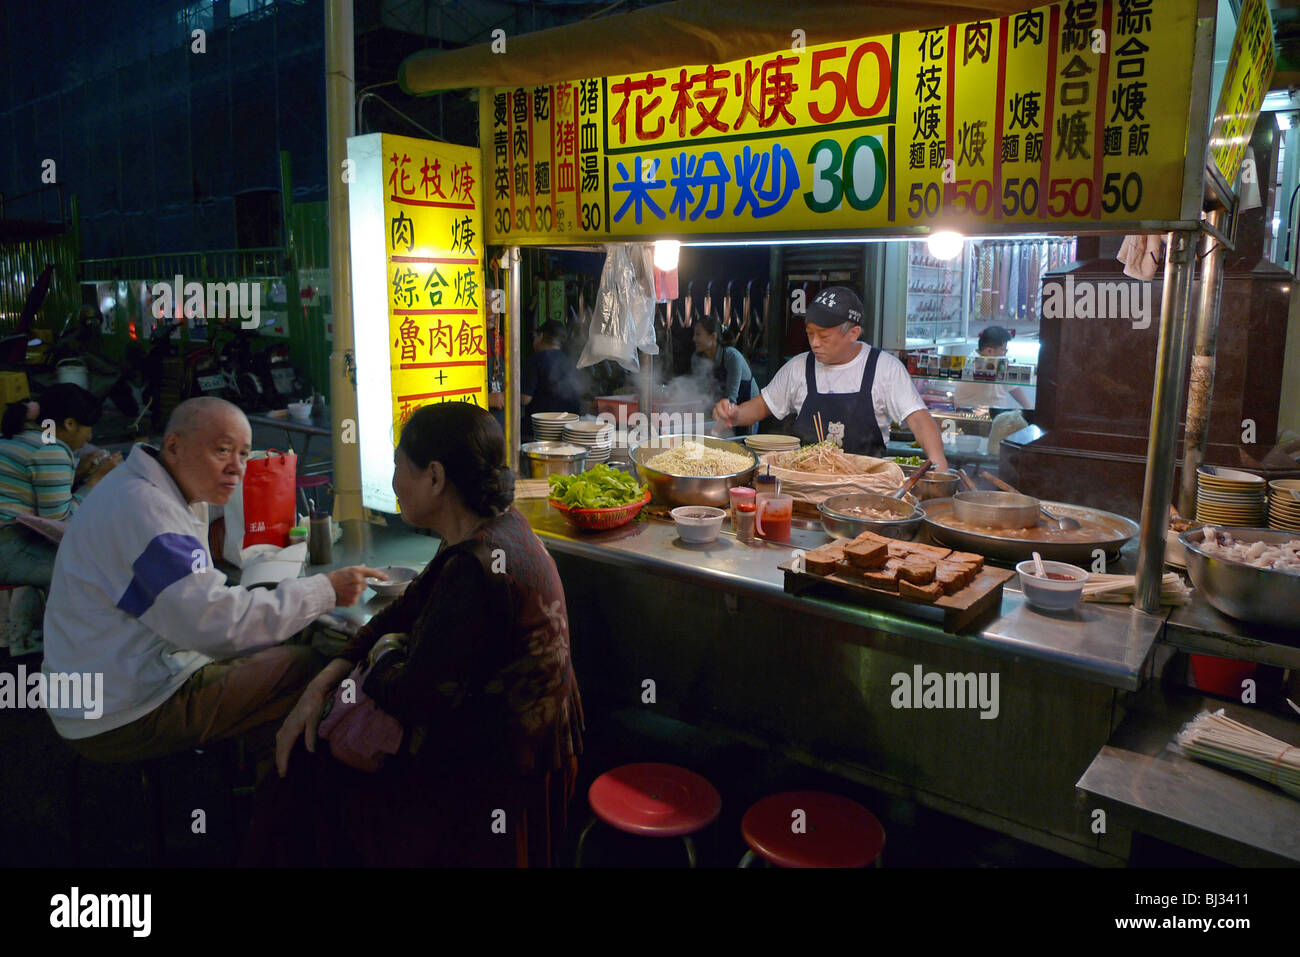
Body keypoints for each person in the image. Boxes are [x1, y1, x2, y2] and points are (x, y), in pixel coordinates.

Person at [247, 402, 584, 867]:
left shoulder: (475, 567)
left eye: (398, 468)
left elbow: (415, 695)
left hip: (501, 771)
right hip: (521, 749)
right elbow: (406, 608)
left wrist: (381, 658)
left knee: (309, 774)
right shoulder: (491, 530)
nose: (393, 484)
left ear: (435, 477)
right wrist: (333, 673)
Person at [41, 396, 384, 767]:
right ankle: (278, 792)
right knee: (308, 666)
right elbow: (216, 627)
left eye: (243, 454)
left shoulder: (137, 484)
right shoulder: (145, 510)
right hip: (120, 711)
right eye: (223, 451)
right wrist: (325, 589)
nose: (236, 468)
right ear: (174, 446)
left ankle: (264, 780)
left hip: (95, 688)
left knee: (276, 659)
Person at [713, 286, 951, 469]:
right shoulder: (799, 368)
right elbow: (761, 406)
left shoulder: (884, 369)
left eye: (824, 337)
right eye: (810, 334)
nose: (814, 343)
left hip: (866, 489)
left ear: (853, 333)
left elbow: (919, 420)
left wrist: (939, 464)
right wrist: (734, 413)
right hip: (807, 484)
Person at [1, 384, 121, 588]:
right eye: (88, 428)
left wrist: (77, 474)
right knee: (105, 571)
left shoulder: (17, 437)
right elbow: (59, 523)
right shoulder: (51, 451)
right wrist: (96, 480)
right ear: (70, 424)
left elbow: (33, 489)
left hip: (10, 541)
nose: (90, 437)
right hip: (10, 549)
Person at [692, 314, 757, 436]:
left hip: (747, 405)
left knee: (743, 445)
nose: (694, 339)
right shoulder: (699, 358)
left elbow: (731, 399)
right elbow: (703, 394)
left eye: (698, 334)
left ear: (713, 337)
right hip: (724, 409)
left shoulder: (731, 356)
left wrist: (714, 432)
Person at [521, 320, 581, 436]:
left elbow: (525, 399)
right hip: (569, 428)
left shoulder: (536, 360)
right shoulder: (570, 361)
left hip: (541, 429)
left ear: (540, 336)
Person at [953, 325, 1032, 411]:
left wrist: (1029, 408)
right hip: (977, 415)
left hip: (996, 414)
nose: (1005, 353)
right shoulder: (974, 363)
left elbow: (1013, 387)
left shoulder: (994, 363)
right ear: (989, 351)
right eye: (1003, 350)